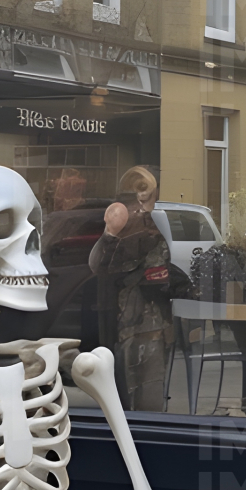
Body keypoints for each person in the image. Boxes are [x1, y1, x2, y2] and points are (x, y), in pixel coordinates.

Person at [88, 166, 190, 411]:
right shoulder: (127, 229)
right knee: (132, 396)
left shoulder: (153, 225)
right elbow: (99, 265)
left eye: (147, 191)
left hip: (151, 325)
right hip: (129, 326)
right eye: (136, 191)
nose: (142, 199)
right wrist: (111, 233)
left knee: (149, 394)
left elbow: (158, 270)